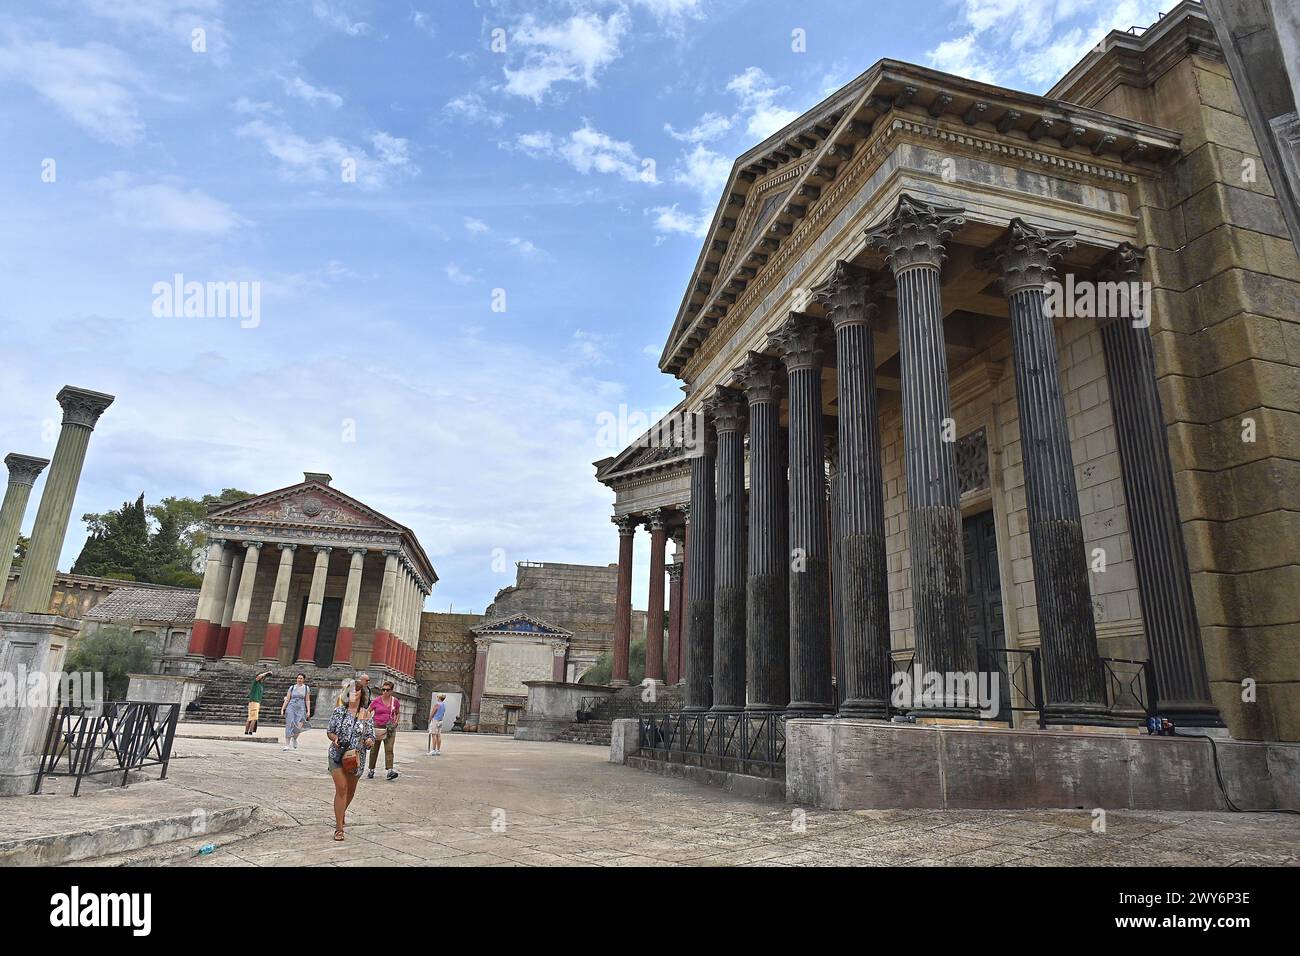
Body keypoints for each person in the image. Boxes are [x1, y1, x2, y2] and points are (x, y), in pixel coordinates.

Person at [327, 680, 375, 842]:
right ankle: (339, 828)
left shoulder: (365, 714)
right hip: (338, 755)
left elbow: (371, 736)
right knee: (342, 788)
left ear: (362, 696)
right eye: (352, 692)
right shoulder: (339, 711)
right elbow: (330, 731)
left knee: (351, 790)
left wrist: (369, 741)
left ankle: (341, 813)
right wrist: (335, 739)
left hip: (356, 757)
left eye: (357, 692)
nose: (354, 695)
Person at [367, 681, 401, 780]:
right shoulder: (377, 700)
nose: (385, 692)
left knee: (389, 749)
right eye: (383, 689)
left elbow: (398, 713)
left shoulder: (395, 701)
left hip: (390, 728)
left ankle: (390, 771)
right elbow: (368, 710)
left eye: (387, 690)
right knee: (374, 750)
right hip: (377, 727)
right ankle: (371, 769)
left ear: (391, 691)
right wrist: (369, 722)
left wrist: (396, 722)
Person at [280, 672, 312, 751]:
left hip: (301, 708)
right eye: (298, 678)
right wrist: (283, 708)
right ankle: (287, 744)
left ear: (304, 679)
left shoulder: (306, 688)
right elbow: (287, 699)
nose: (299, 680)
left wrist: (308, 711)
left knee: (299, 726)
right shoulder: (292, 687)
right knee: (289, 725)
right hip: (291, 707)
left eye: (301, 678)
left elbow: (307, 700)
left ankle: (294, 738)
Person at [245, 671, 272, 735]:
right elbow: (258, 677)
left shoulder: (260, 684)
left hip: (255, 702)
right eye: (262, 678)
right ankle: (250, 731)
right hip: (254, 701)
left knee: (250, 717)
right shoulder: (256, 682)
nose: (263, 679)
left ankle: (247, 731)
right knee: (254, 718)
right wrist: (266, 673)